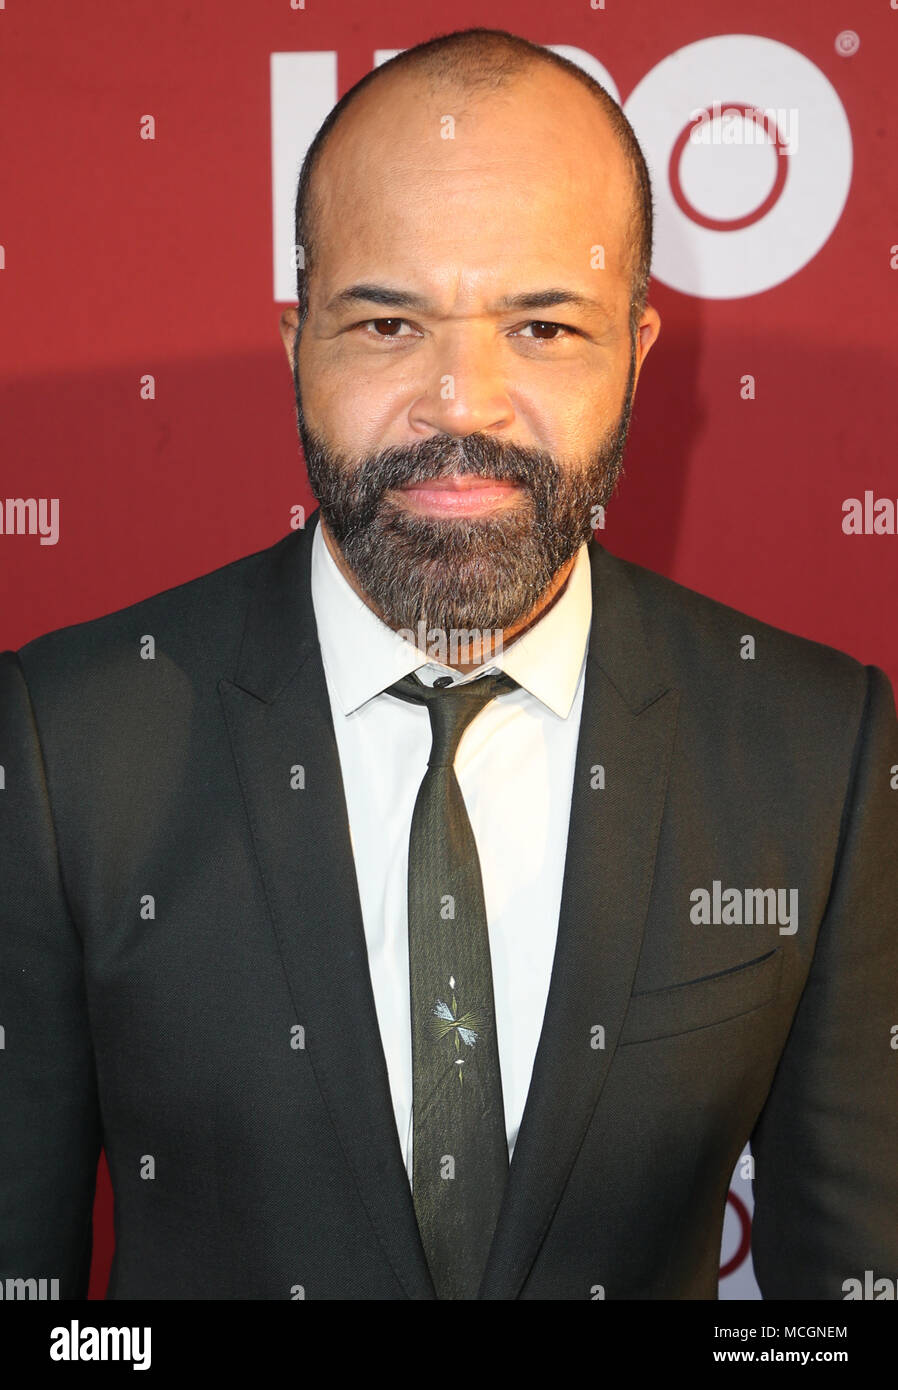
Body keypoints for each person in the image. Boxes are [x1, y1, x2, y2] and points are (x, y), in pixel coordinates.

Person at [1, 27, 896, 1302]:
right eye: (387, 320)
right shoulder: (65, 744)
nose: (462, 402)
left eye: (541, 324)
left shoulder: (822, 751)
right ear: (295, 346)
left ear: (638, 359)